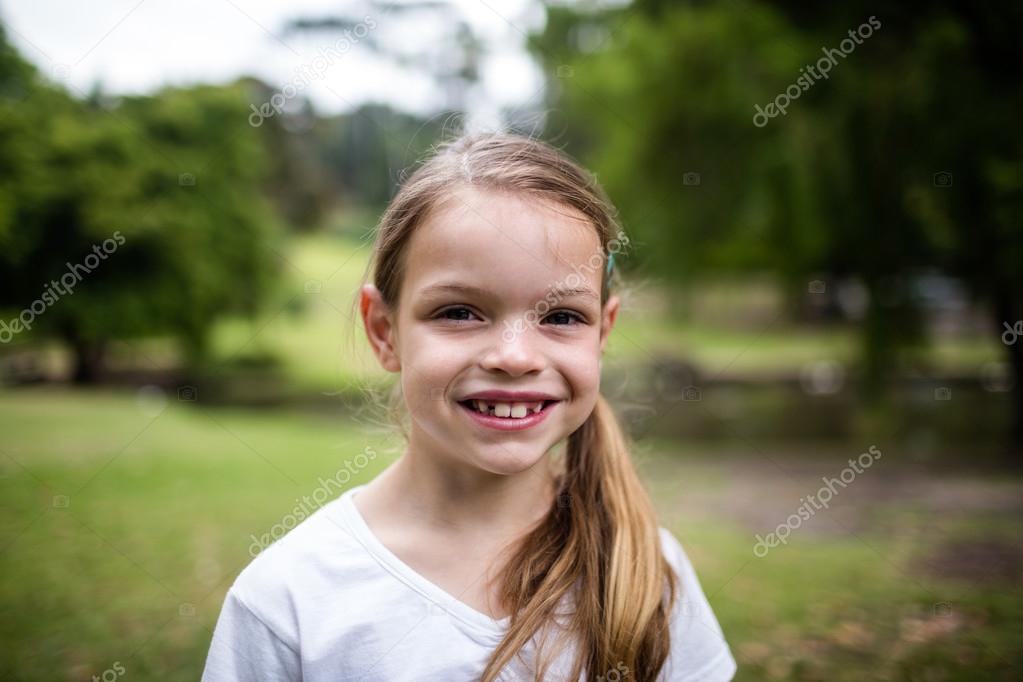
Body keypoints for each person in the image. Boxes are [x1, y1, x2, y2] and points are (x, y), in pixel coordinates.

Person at [201, 133, 737, 681]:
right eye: (459, 312)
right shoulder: (289, 600)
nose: (514, 357)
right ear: (384, 332)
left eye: (562, 318)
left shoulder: (651, 573)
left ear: (603, 332)